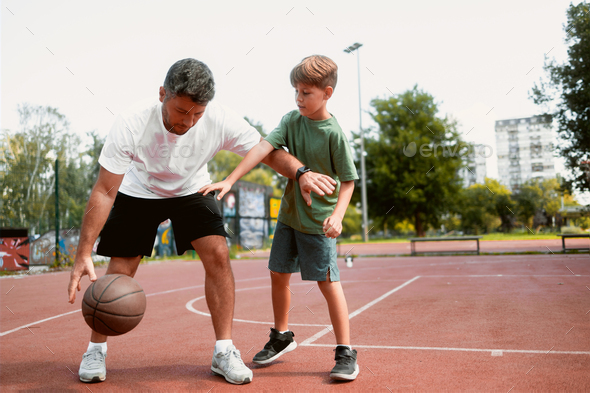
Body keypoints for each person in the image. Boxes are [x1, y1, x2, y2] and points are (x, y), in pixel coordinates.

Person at [67, 58, 337, 385]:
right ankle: (96, 349)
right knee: (122, 266)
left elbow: (266, 151)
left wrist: (301, 171)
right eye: (182, 112)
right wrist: (83, 252)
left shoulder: (219, 119)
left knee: (218, 255)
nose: (189, 122)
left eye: (197, 113)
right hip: (140, 190)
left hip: (193, 188)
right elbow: (103, 192)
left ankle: (224, 351)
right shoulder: (132, 122)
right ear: (162, 94)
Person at [200, 55, 360, 381]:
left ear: (327, 93)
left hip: (318, 222)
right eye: (296, 91)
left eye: (306, 93)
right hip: (289, 216)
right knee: (278, 273)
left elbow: (348, 181)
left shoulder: (333, 134)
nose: (299, 99)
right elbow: (262, 148)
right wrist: (230, 180)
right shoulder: (291, 120)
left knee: (327, 284)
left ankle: (346, 352)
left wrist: (338, 215)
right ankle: (282, 336)